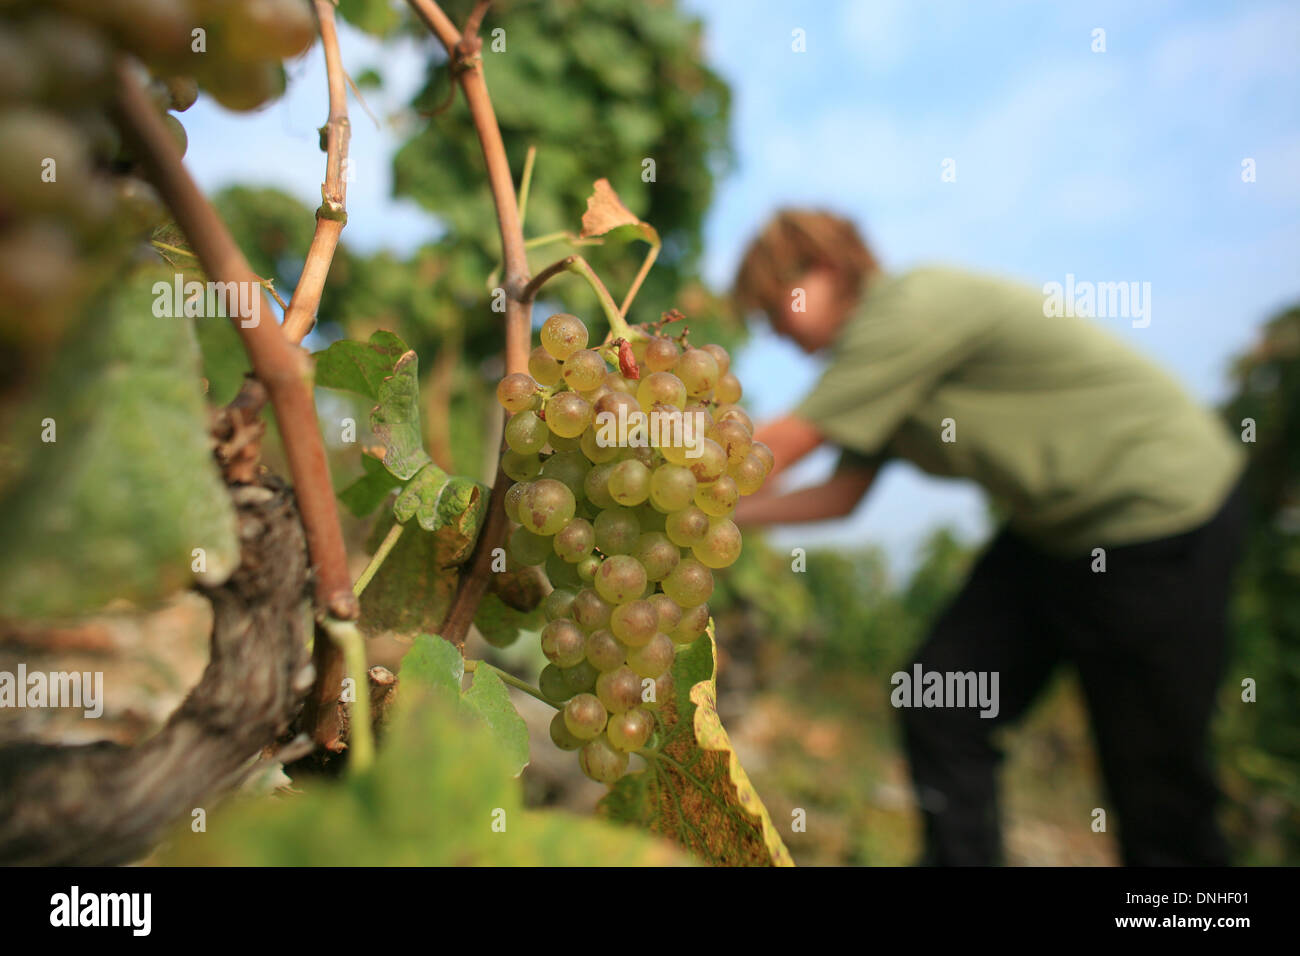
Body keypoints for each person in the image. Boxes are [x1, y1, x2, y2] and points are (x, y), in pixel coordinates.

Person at [730, 209, 1248, 866]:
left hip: (1163, 516)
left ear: (826, 269)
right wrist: (712, 517)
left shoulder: (912, 307)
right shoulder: (874, 371)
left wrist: (657, 464)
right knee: (938, 698)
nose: (777, 332)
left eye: (777, 308)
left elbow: (783, 446)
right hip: (1054, 534)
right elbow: (840, 497)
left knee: (1156, 786)